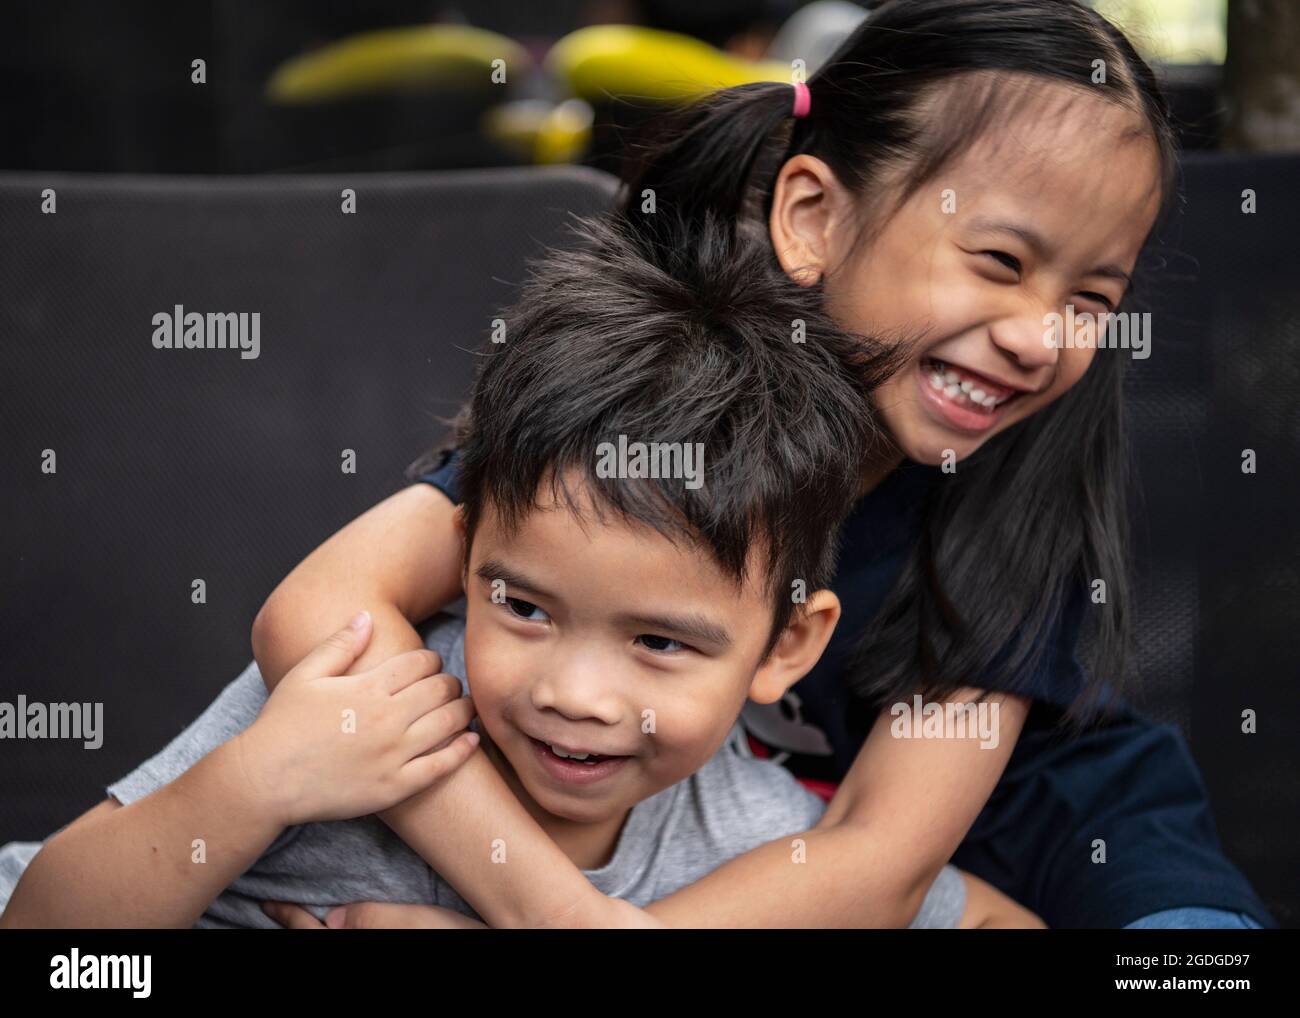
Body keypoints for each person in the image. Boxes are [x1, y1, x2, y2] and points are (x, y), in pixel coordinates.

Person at [249, 0, 1275, 928]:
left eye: (1089, 300)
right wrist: (543, 904)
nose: (1038, 335)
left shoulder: (1004, 491)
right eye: (999, 262)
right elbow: (316, 613)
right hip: (760, 847)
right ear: (813, 217)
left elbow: (878, 866)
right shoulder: (656, 405)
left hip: (1031, 833)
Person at [0, 209, 1039, 929]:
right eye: (525, 605)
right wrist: (252, 783)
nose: (572, 694)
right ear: (465, 562)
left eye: (659, 641)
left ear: (786, 645)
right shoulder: (353, 712)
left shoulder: (754, 838)